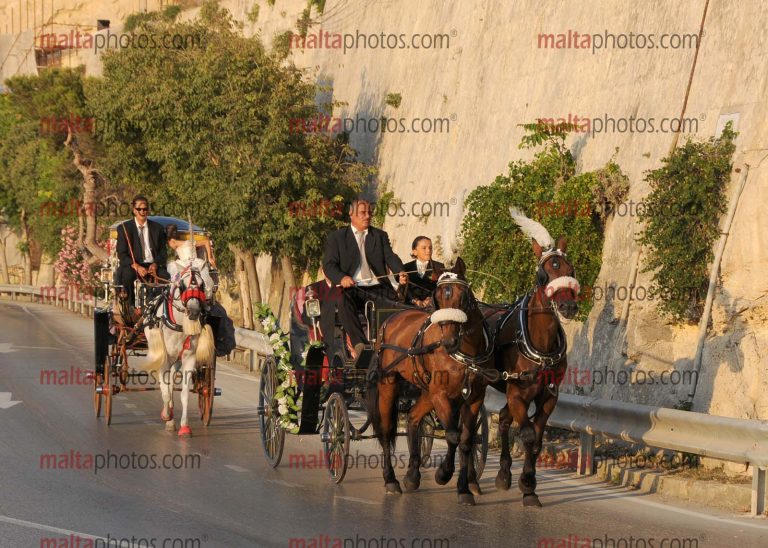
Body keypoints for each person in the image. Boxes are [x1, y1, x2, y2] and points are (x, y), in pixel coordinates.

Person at [322, 198, 407, 358]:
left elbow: (390, 257)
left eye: (369, 212)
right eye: (363, 213)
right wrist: (342, 278)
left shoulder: (380, 236)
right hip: (350, 288)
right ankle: (361, 345)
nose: (367, 216)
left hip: (377, 288)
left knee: (395, 306)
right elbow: (329, 265)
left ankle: (391, 348)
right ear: (351, 214)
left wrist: (400, 272)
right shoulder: (337, 238)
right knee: (342, 300)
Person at [115, 195, 169, 306]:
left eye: (145, 209)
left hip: (152, 265)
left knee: (165, 277)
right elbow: (122, 254)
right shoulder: (124, 228)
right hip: (133, 265)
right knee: (127, 276)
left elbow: (163, 252)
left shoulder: (158, 228)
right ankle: (129, 307)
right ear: (134, 210)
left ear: (148, 210)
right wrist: (137, 266)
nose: (142, 211)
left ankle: (157, 306)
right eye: (139, 209)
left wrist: (155, 264)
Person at [165, 223, 216, 302]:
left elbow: (206, 241)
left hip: (190, 263)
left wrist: (210, 258)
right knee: (174, 266)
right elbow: (206, 241)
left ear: (171, 240)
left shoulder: (180, 242)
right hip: (189, 263)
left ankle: (175, 285)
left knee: (174, 267)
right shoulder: (184, 244)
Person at [402, 236, 445, 308]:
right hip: (410, 307)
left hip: (433, 307)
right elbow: (404, 288)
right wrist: (415, 300)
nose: (428, 251)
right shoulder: (406, 268)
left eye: (430, 248)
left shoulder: (439, 267)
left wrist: (431, 299)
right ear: (415, 252)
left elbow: (442, 287)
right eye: (424, 248)